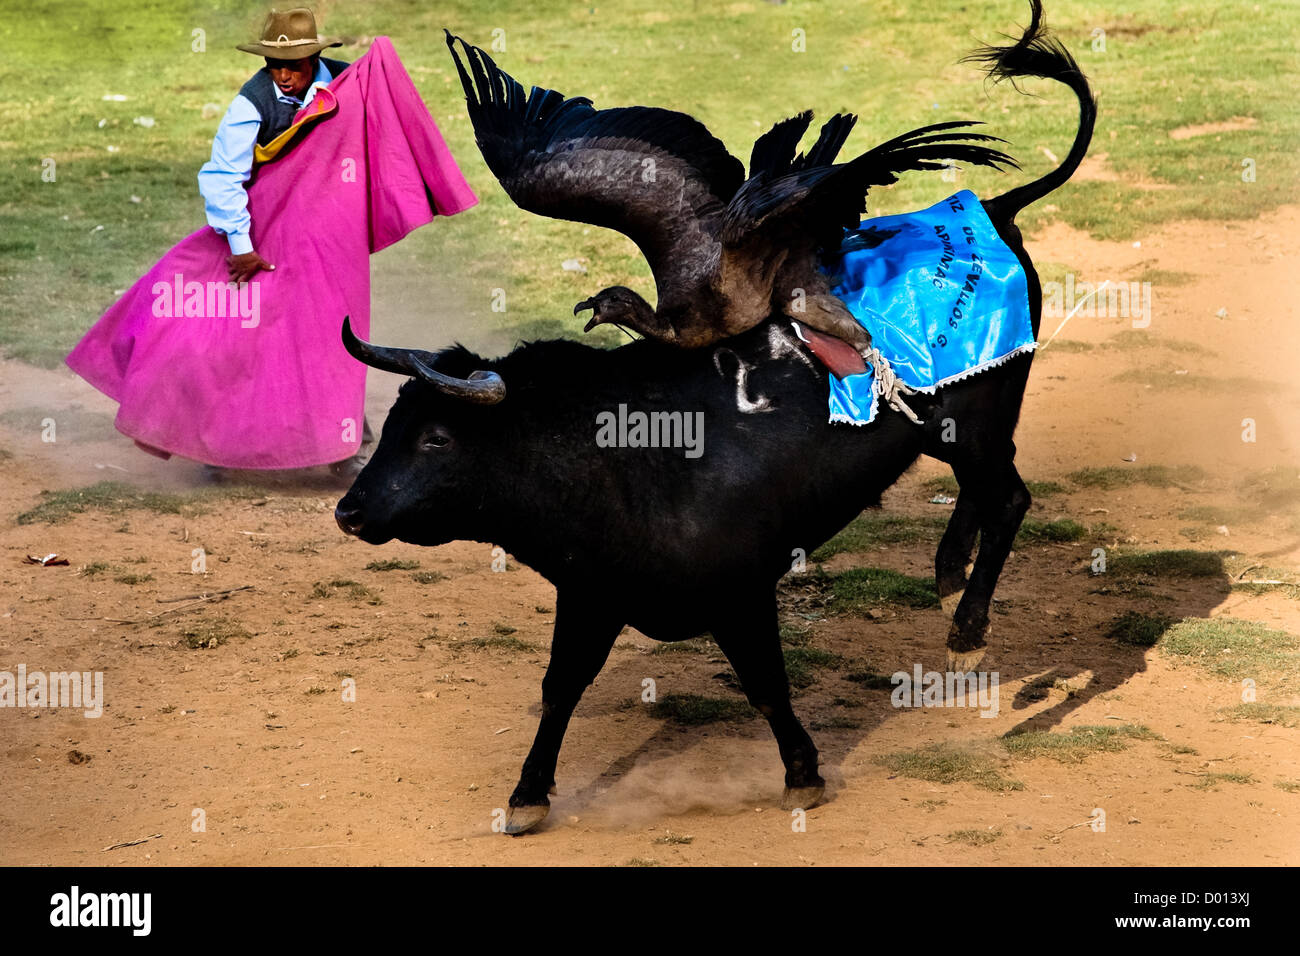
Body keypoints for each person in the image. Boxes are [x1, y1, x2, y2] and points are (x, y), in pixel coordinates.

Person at [200, 8, 350, 287]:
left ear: (315, 58)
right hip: (275, 217)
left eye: (293, 65)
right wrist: (242, 247)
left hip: (334, 209)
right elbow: (224, 175)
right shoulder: (250, 103)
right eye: (274, 64)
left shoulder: (349, 81)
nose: (283, 76)